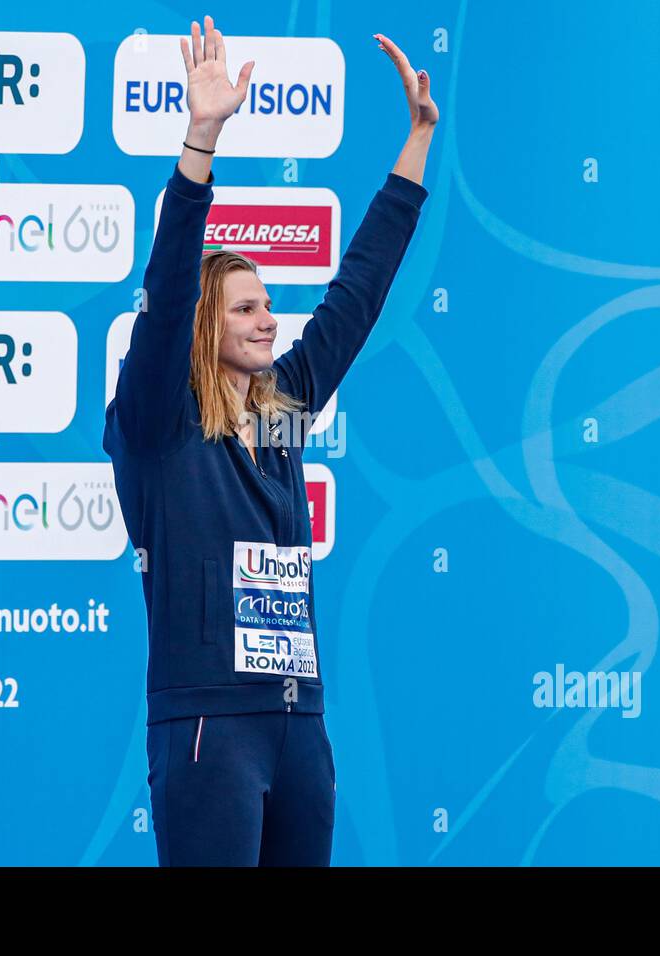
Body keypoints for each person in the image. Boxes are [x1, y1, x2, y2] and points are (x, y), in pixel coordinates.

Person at [103, 14, 437, 866]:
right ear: (203, 326)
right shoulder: (157, 422)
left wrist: (417, 144)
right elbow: (170, 285)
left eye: (267, 304)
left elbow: (355, 296)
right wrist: (201, 141)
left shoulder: (281, 414)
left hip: (299, 725)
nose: (268, 318)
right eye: (245, 307)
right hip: (211, 728)